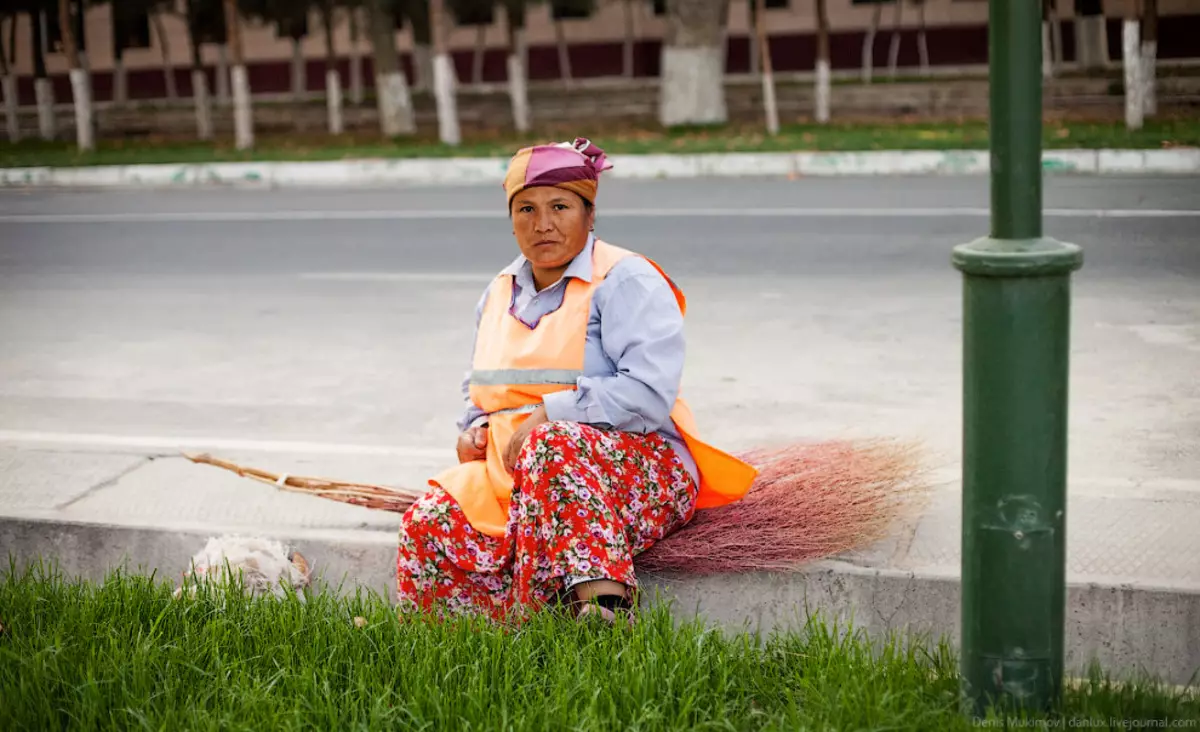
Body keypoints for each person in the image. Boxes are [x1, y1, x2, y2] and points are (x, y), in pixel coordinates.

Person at [395, 138, 757, 622]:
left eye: (560, 206)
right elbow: (481, 388)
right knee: (429, 519)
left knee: (552, 445)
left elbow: (647, 395)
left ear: (590, 215)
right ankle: (487, 637)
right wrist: (474, 433)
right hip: (518, 475)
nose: (542, 224)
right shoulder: (500, 292)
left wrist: (550, 414)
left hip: (636, 470)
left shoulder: (625, 279)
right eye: (525, 209)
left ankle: (604, 611)